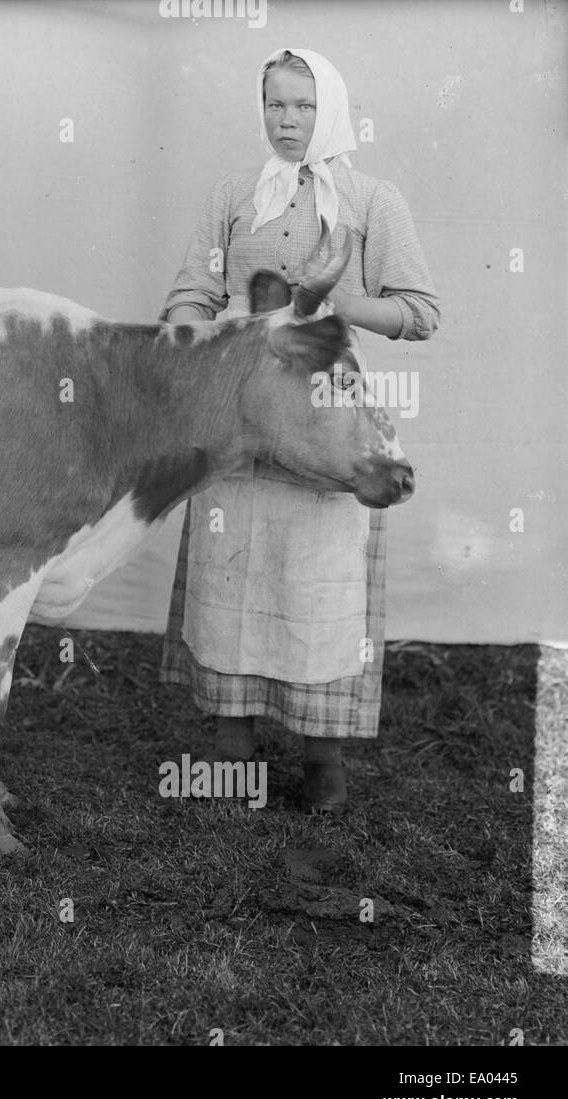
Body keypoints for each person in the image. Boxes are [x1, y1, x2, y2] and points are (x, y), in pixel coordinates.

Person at [159, 48, 440, 814]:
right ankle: (232, 755)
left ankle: (324, 763)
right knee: (231, 580)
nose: (288, 122)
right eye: (276, 106)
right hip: (239, 419)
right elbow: (192, 296)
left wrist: (347, 304)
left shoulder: (370, 201)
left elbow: (420, 312)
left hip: (324, 420)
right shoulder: (234, 197)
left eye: (304, 107)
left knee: (319, 586)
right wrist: (196, 343)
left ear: (333, 111)